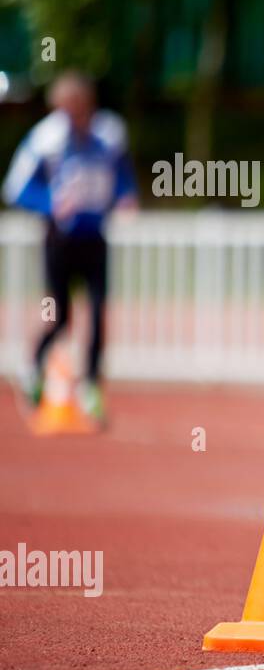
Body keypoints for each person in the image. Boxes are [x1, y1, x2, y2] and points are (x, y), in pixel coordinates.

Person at [2, 71, 138, 422]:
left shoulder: (110, 133)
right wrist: (50, 204)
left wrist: (125, 197)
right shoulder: (46, 138)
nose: (74, 116)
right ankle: (33, 366)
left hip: (95, 237)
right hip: (60, 239)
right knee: (59, 314)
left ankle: (91, 385)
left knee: (98, 311)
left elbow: (123, 174)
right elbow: (15, 188)